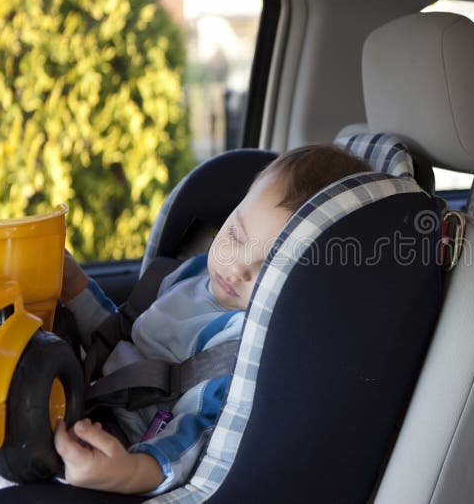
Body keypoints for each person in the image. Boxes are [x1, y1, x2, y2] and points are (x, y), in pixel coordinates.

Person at [49, 144, 371, 495]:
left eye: (266, 268)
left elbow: (193, 435)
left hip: (118, 443)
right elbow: (124, 338)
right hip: (86, 391)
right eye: (236, 235)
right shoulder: (192, 273)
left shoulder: (239, 348)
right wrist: (77, 290)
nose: (236, 268)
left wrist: (128, 472)